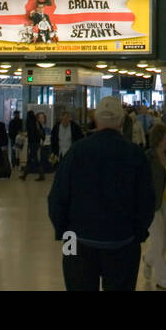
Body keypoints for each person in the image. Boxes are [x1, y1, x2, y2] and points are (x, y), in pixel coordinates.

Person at [48, 96, 155, 291]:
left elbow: (58, 197)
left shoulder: (77, 151)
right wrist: (138, 234)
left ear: (96, 120)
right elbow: (147, 200)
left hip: (78, 241)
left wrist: (64, 232)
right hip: (122, 242)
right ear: (121, 121)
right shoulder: (135, 154)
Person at [143, 122, 166, 289]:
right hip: (152, 204)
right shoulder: (148, 157)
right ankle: (164, 280)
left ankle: (148, 259)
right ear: (160, 138)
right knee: (157, 241)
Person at [35, 111, 52, 179]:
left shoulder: (47, 129)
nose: (41, 119)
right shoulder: (36, 129)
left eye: (43, 117)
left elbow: (49, 138)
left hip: (47, 146)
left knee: (46, 159)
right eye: (40, 117)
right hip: (40, 147)